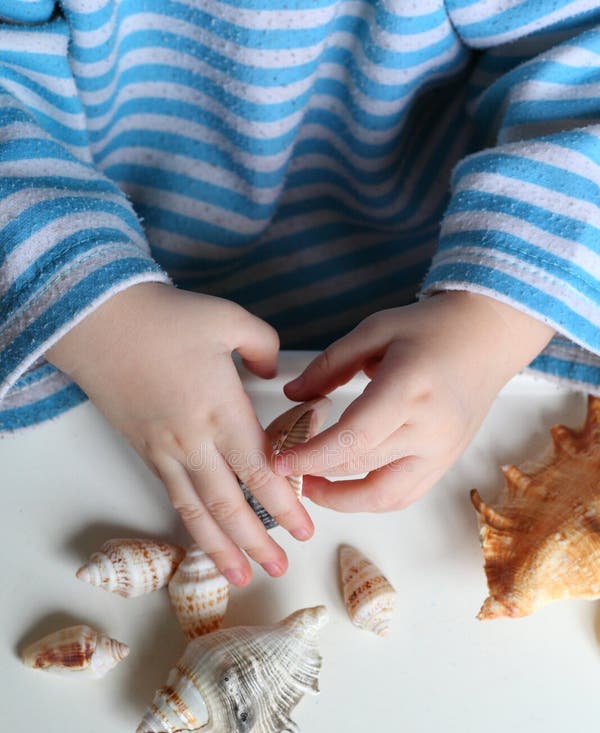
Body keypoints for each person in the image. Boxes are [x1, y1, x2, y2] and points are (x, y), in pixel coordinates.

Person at [1, 0, 598, 585]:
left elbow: (582, 54)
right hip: (82, 323)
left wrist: (491, 325)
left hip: (439, 296)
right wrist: (101, 318)